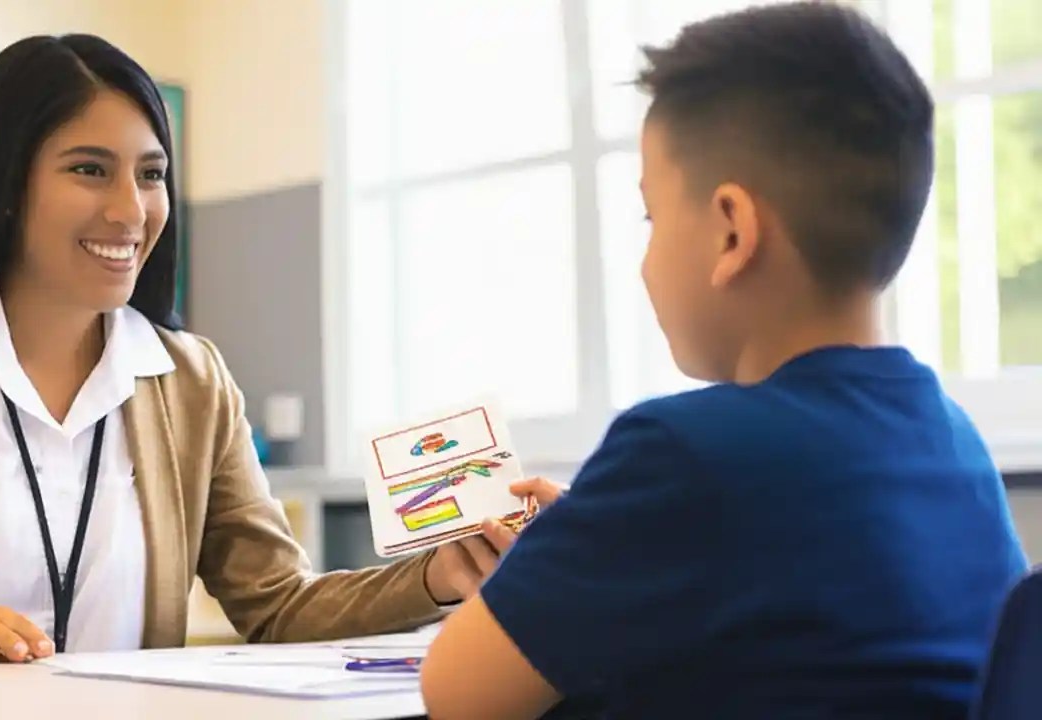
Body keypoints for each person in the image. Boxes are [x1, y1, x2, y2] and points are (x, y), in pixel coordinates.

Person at [0, 34, 503, 667]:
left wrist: (438, 574)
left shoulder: (191, 380)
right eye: (89, 169)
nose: (130, 210)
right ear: (5, 187)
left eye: (151, 175)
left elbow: (278, 605)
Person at [420, 3, 1028, 719]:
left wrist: (552, 569)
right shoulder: (956, 445)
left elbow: (456, 693)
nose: (645, 260)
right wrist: (592, 544)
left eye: (652, 217)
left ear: (732, 231)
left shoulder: (678, 453)